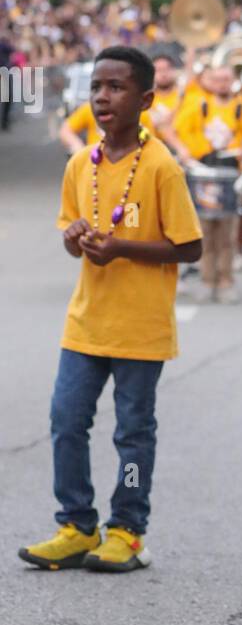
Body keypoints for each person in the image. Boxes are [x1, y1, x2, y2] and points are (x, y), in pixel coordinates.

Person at [19, 47, 202, 573]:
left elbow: (190, 248)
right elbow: (72, 236)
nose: (102, 97)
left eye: (116, 87)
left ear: (145, 99)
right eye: (96, 87)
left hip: (140, 328)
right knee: (66, 421)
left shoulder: (163, 166)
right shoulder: (81, 164)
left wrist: (122, 248)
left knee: (132, 432)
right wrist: (75, 237)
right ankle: (77, 525)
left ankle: (127, 531)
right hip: (85, 322)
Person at [166, 65, 242, 303]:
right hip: (204, 172)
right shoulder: (197, 105)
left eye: (226, 79)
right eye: (217, 79)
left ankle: (226, 280)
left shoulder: (241, 107)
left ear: (233, 81)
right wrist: (185, 152)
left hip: (229, 172)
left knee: (228, 231)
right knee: (204, 230)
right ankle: (207, 279)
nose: (222, 84)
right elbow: (174, 130)